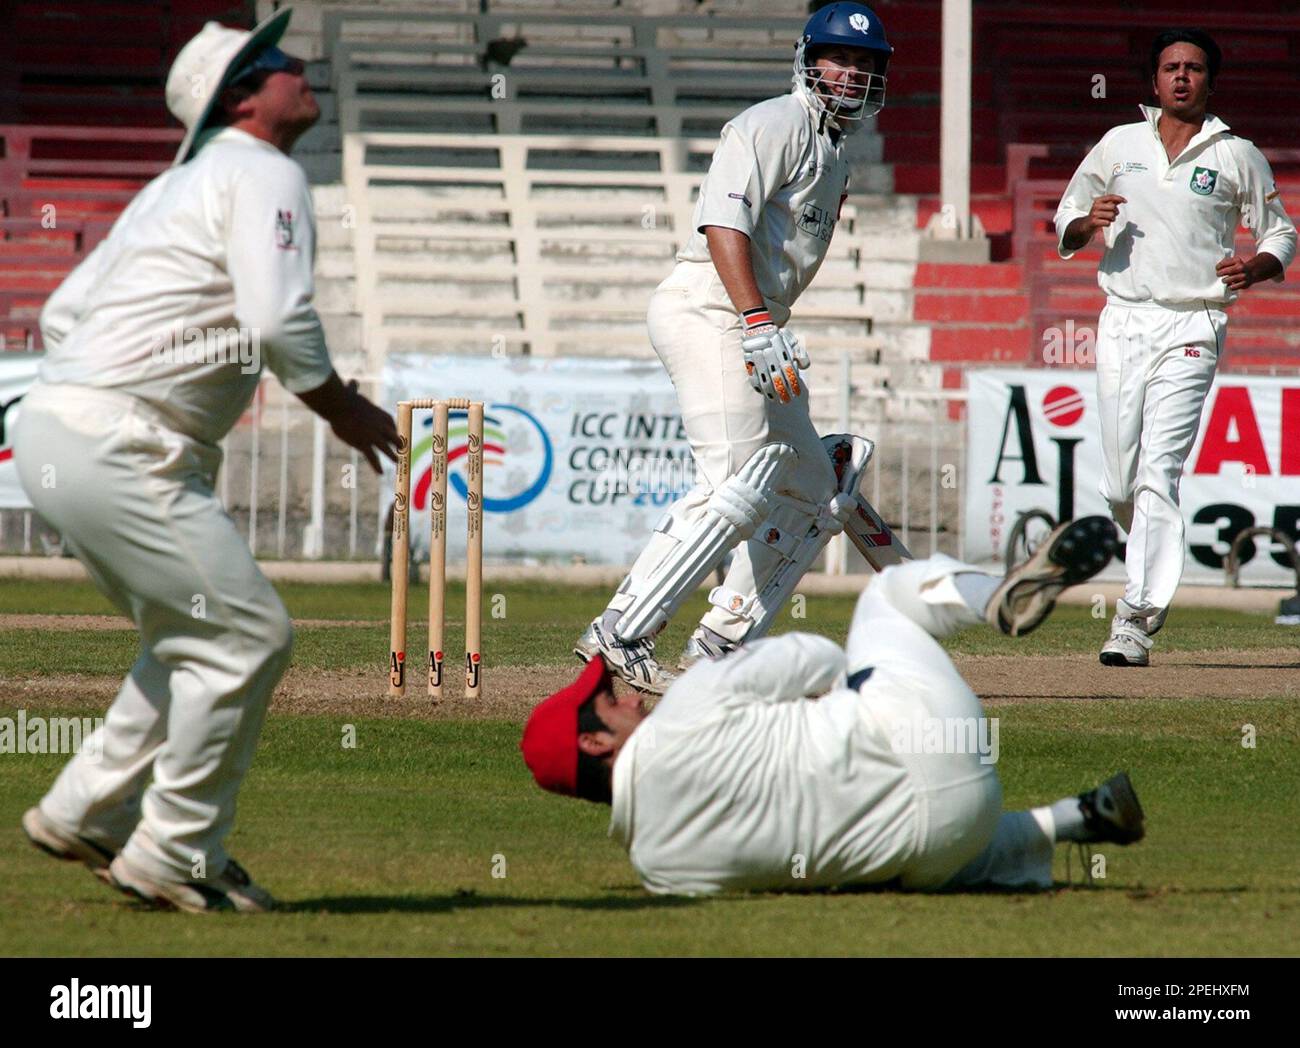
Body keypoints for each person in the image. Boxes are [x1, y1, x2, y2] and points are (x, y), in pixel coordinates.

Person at [16, 9, 400, 913]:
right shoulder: (263, 170)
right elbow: (274, 322)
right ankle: (176, 853)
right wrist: (342, 408)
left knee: (189, 639)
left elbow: (64, 314)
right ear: (241, 97)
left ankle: (84, 809)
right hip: (121, 441)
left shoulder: (173, 186)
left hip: (63, 430)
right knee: (246, 638)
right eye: (276, 62)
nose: (299, 66)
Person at [523, 517, 1147, 896]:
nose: (630, 695)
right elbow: (818, 656)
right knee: (885, 595)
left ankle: (1076, 818)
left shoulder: (659, 866)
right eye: (610, 701)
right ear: (594, 744)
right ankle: (991, 597)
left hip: (944, 841)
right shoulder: (689, 701)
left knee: (895, 840)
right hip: (930, 735)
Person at [573, 3, 897, 694]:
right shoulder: (772, 123)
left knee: (816, 489)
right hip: (714, 310)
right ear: (809, 62)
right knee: (733, 482)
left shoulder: (835, 150)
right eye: (841, 59)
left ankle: (722, 642)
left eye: (866, 64)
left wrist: (764, 322)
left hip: (758, 324)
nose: (853, 74)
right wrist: (754, 320)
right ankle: (621, 631)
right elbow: (724, 221)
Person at [1053, 27, 1296, 667]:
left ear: (1210, 81)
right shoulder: (1119, 144)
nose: (1181, 77)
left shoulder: (1237, 153)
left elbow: (1281, 235)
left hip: (1194, 324)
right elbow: (1067, 218)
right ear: (1154, 81)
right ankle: (1145, 564)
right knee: (1119, 482)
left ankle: (1134, 618)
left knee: (1159, 473)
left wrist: (1257, 268)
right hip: (1124, 319)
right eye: (1170, 68)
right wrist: (1087, 222)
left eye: (1192, 68)